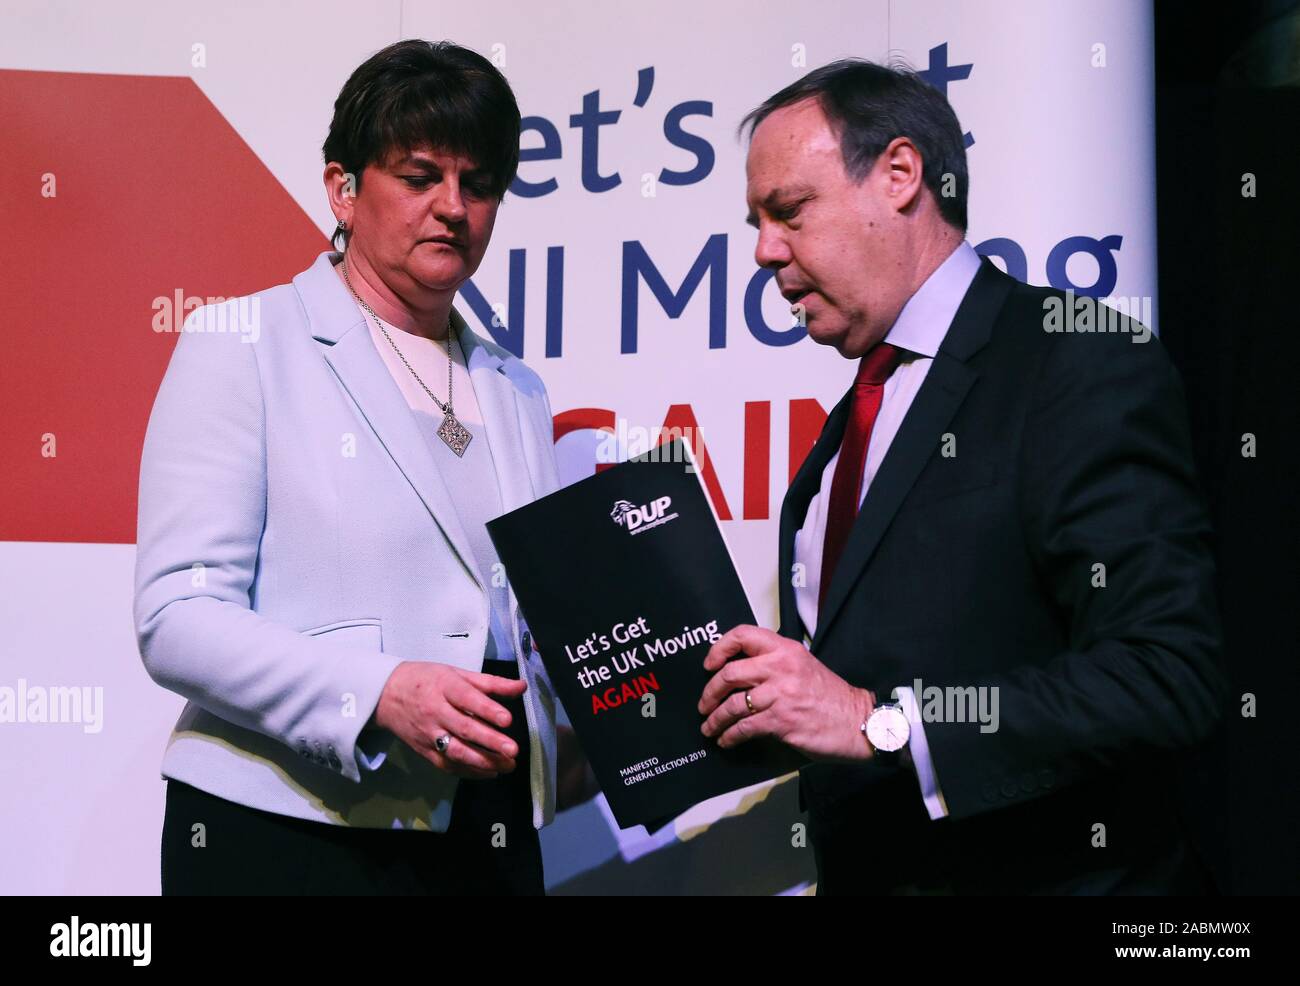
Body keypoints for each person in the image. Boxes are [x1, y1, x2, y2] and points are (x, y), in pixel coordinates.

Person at [697, 59, 1226, 894]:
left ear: (901, 175)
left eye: (789, 211)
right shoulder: (839, 443)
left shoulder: (1074, 358)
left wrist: (881, 726)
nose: (764, 251)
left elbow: (1166, 675)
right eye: (757, 221)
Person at [134, 39, 593, 896]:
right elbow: (178, 615)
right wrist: (378, 692)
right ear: (343, 188)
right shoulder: (246, 344)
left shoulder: (517, 388)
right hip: (292, 834)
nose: (453, 207)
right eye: (419, 177)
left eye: (479, 182)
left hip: (485, 835)